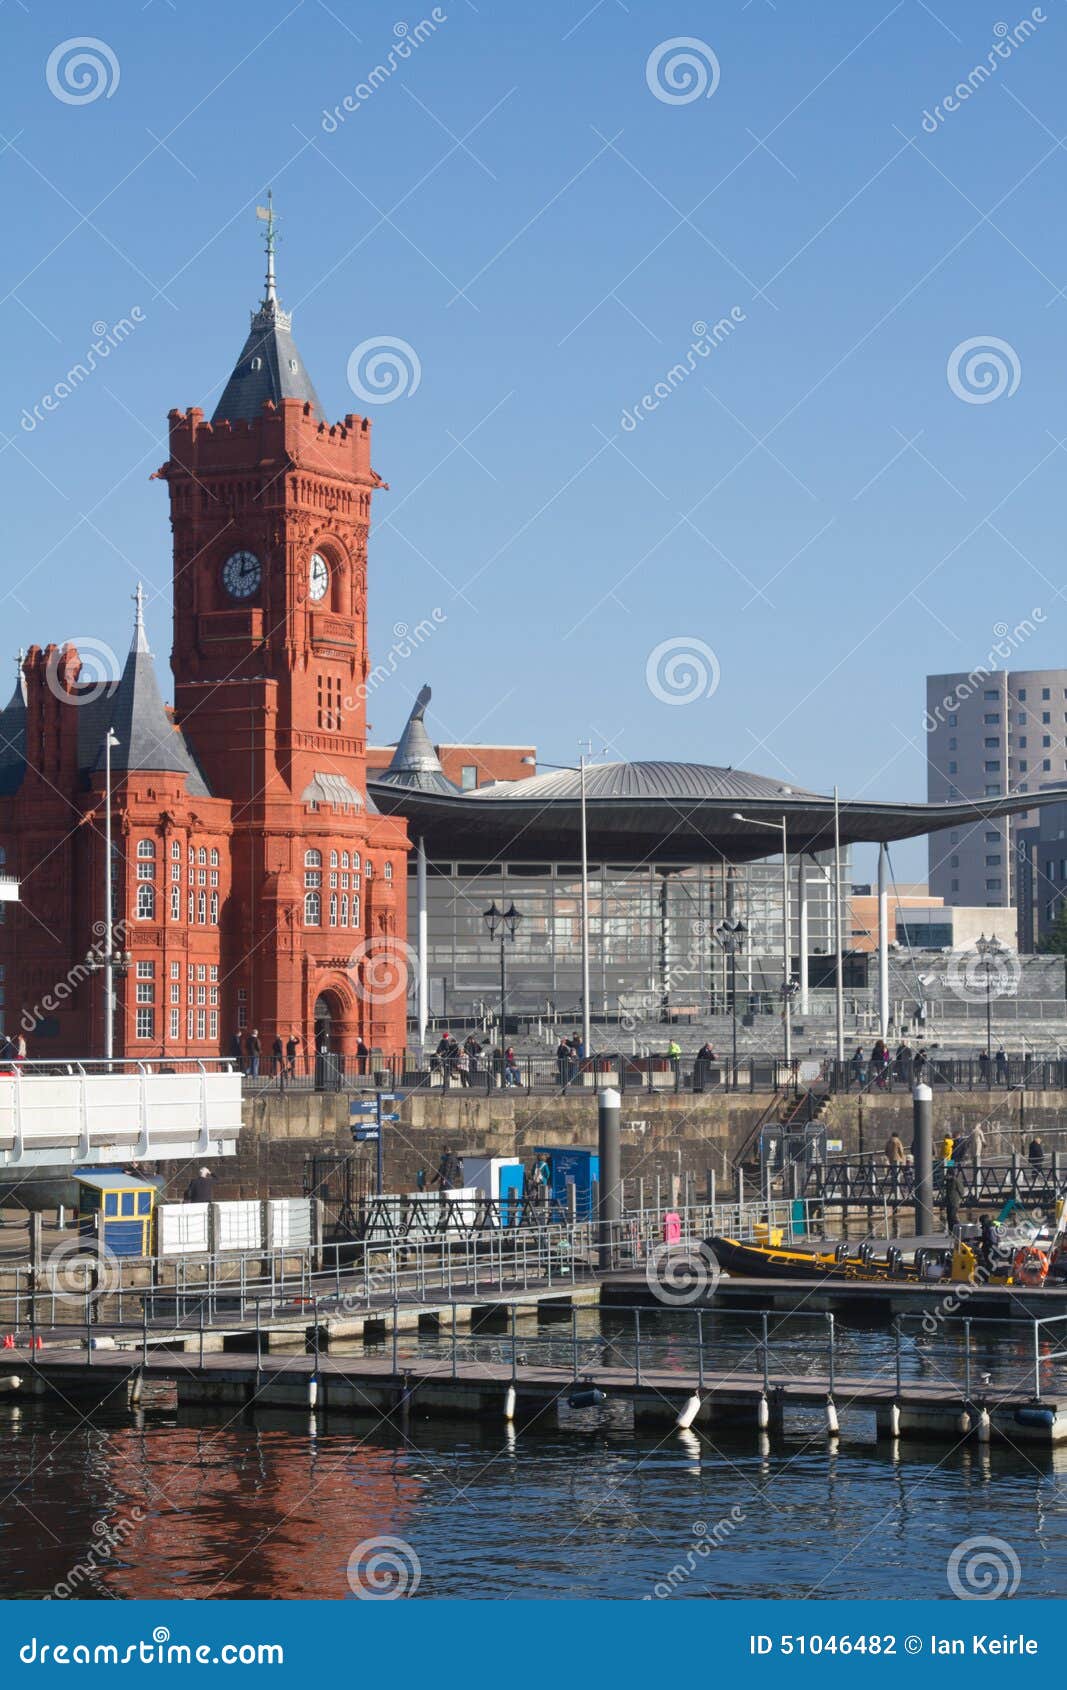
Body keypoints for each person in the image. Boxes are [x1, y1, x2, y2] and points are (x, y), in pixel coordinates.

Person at [943, 1161, 961, 1235]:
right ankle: (951, 1232)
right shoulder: (948, 1181)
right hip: (948, 1201)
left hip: (954, 1201)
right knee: (949, 1217)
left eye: (948, 1174)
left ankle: (958, 1231)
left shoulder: (955, 1181)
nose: (947, 1176)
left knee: (953, 1217)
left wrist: (958, 1198)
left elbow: (961, 1190)